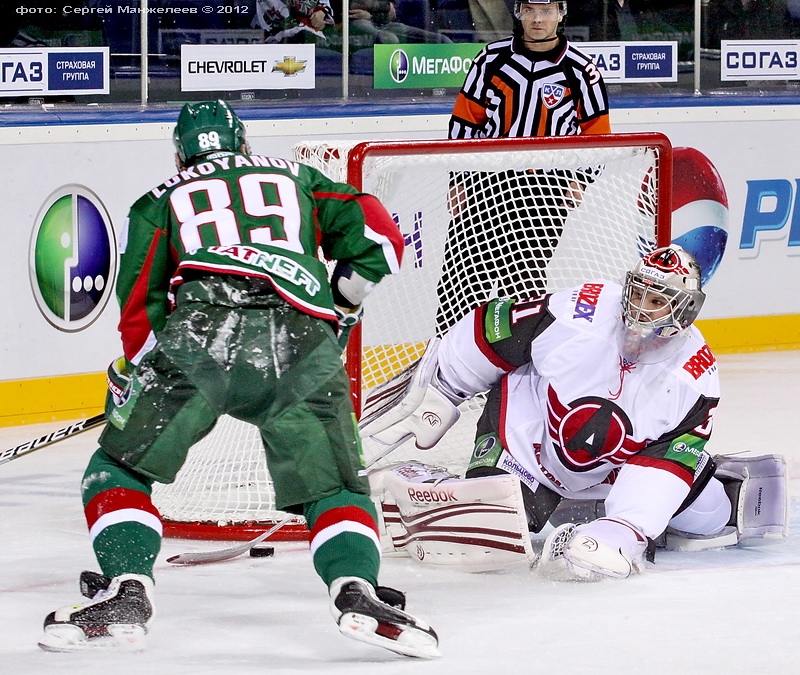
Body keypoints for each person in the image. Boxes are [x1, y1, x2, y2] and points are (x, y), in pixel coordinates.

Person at [38, 100, 439, 659]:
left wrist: (136, 372)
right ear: (245, 144)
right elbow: (378, 238)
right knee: (338, 489)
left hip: (200, 336)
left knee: (119, 468)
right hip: (302, 343)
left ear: (179, 154)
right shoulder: (296, 176)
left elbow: (140, 305)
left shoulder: (159, 200)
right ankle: (356, 591)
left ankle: (127, 589)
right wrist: (343, 301)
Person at [361, 245, 787, 579]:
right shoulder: (578, 312)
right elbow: (496, 326)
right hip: (531, 437)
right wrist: (444, 390)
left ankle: (716, 485)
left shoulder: (695, 378)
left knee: (708, 521)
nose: (639, 306)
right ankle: (419, 480)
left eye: (656, 300)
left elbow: (664, 464)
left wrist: (623, 531)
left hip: (615, 466)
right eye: (637, 291)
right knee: (493, 529)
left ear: (685, 310)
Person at [438, 0, 611, 335]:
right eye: (530, 10)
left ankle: (514, 365)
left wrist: (580, 180)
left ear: (561, 13)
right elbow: (464, 121)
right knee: (461, 281)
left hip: (544, 190)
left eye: (546, 11)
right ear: (518, 12)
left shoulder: (580, 69)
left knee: (523, 283)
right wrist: (457, 177)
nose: (537, 19)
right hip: (485, 183)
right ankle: (447, 359)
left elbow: (597, 134)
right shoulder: (491, 58)